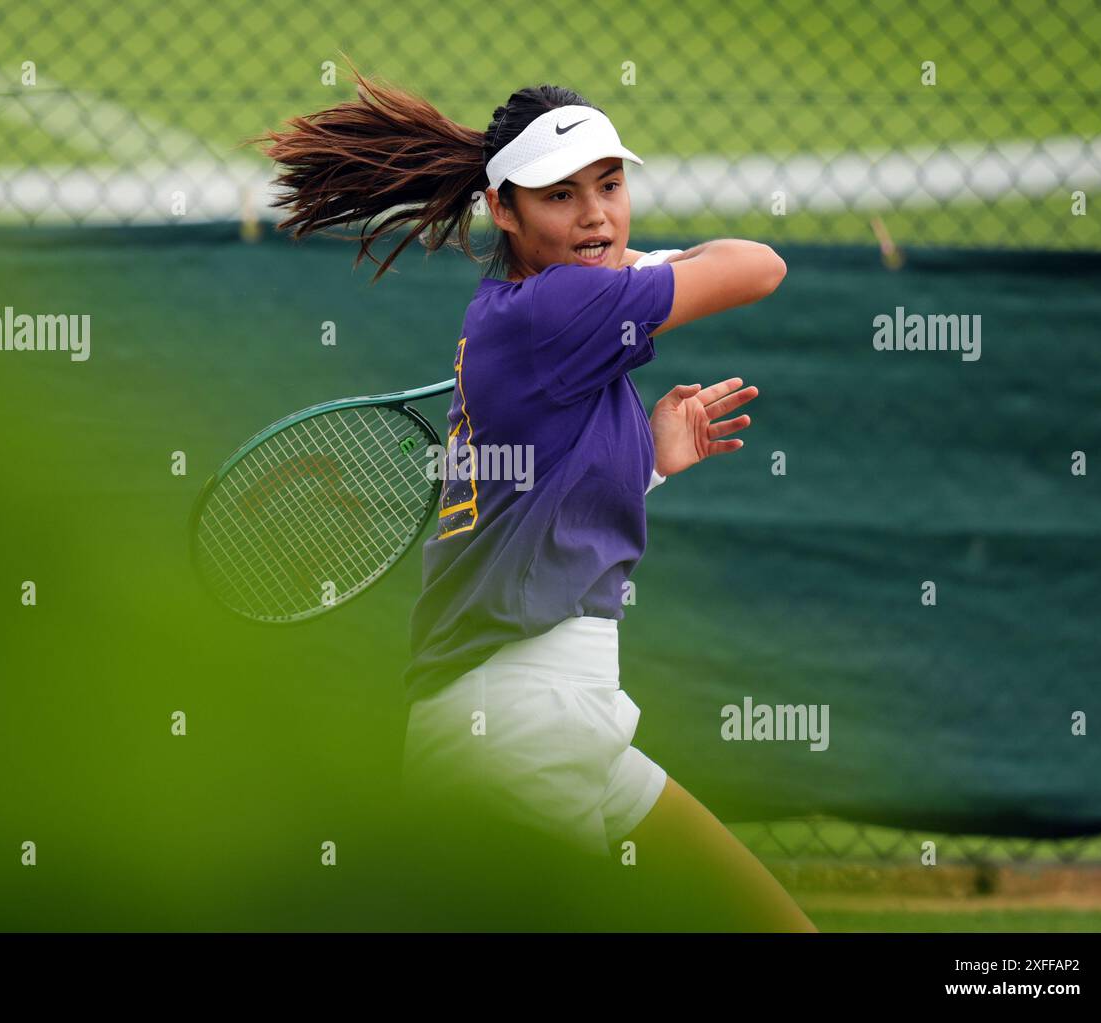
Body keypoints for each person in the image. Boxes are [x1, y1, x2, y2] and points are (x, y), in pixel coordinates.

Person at [253, 55, 817, 932]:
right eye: (561, 195)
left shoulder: (532, 313)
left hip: (565, 717)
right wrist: (628, 261)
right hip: (517, 728)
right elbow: (757, 265)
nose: (595, 212)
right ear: (503, 211)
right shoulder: (559, 313)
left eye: (609, 183)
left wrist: (652, 462)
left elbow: (537, 514)